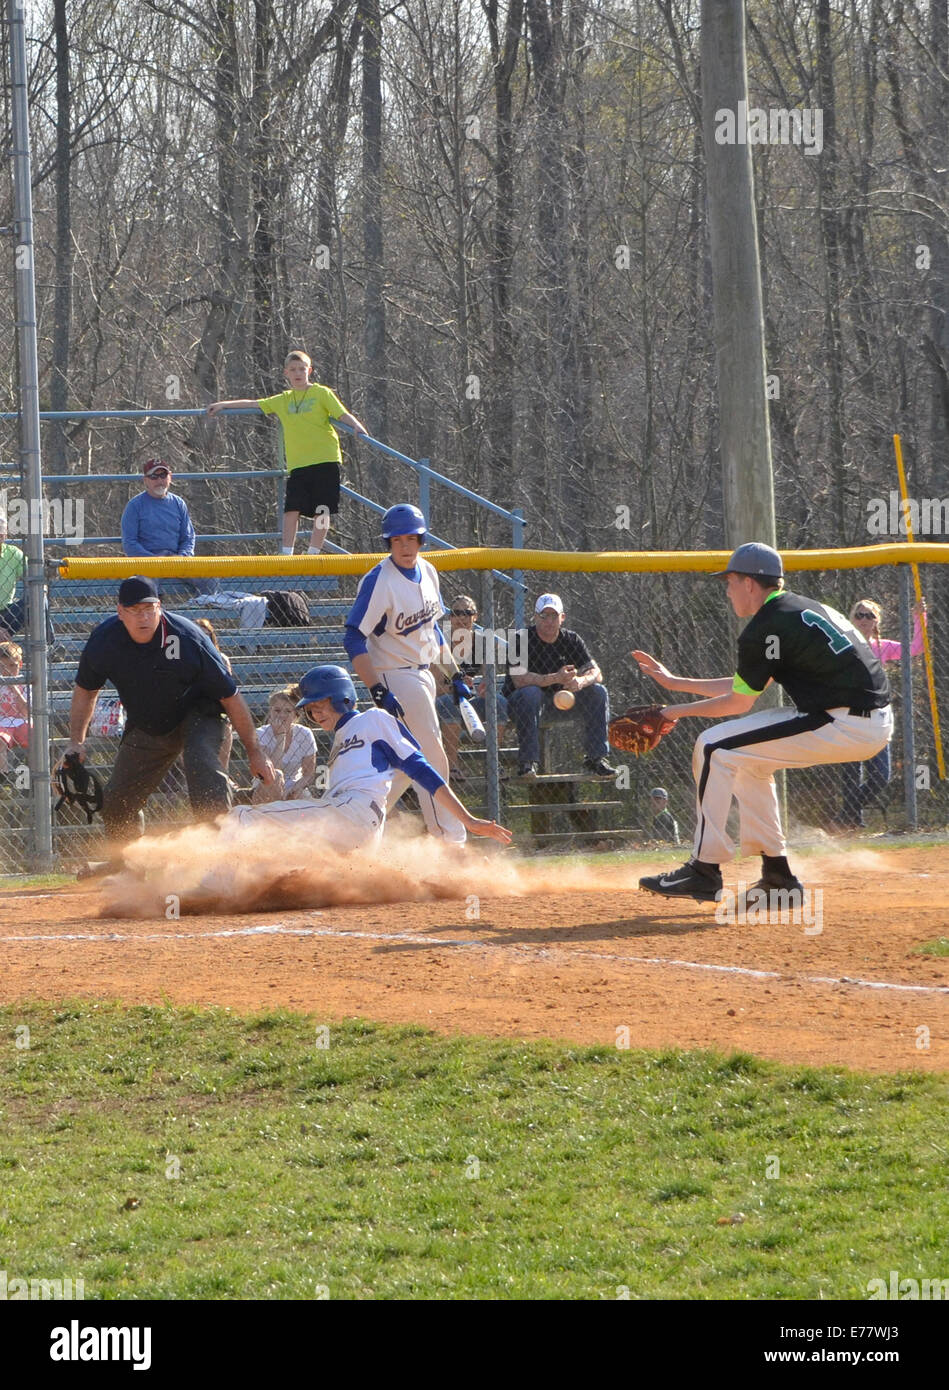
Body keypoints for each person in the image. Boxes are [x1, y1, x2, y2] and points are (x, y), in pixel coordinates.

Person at [634, 542, 892, 905]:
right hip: (858, 717)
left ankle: (704, 869)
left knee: (712, 747)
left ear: (750, 584)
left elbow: (739, 702)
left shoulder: (766, 625)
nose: (727, 590)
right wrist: (677, 684)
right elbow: (749, 684)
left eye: (730, 581)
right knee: (746, 761)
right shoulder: (795, 611)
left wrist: (671, 712)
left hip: (844, 720)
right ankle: (777, 875)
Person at [63, 576, 274, 868]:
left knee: (203, 768)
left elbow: (231, 697)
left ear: (160, 608)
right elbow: (86, 690)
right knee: (116, 801)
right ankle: (129, 866)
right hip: (149, 723)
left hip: (199, 713)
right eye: (135, 610)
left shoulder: (186, 637)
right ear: (120, 612)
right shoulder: (105, 640)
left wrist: (254, 751)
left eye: (150, 608)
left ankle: (218, 861)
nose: (144, 616)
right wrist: (76, 741)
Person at [220, 665, 512, 852]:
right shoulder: (340, 739)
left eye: (322, 704)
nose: (316, 713)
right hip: (351, 830)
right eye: (311, 709)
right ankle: (245, 889)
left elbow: (422, 770)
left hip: (353, 813)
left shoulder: (373, 719)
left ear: (343, 697)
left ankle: (205, 884)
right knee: (285, 857)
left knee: (242, 816)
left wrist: (468, 820)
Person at [343, 503, 470, 844]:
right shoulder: (378, 580)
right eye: (396, 539)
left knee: (401, 766)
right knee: (431, 755)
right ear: (388, 542)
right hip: (393, 675)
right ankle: (450, 842)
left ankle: (352, 827)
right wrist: (376, 689)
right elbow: (353, 637)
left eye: (410, 538)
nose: (404, 545)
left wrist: (454, 675)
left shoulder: (429, 572)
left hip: (425, 674)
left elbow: (433, 631)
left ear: (421, 539)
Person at [206, 349, 368, 555]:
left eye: (302, 369)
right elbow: (254, 403)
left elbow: (341, 413)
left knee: (323, 509)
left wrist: (356, 425)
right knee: (292, 509)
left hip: (326, 459)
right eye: (293, 369)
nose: (298, 373)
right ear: (286, 373)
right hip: (298, 463)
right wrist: (223, 405)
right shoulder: (283, 399)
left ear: (309, 370)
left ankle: (313, 554)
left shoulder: (321, 393)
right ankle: (286, 554)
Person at [832, 596, 928, 829]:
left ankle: (845, 816)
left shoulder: (881, 647)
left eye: (870, 615)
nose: (864, 619)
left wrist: (919, 617)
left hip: (875, 715)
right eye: (859, 615)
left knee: (880, 776)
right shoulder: (841, 644)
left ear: (877, 621)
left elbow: (915, 649)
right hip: (848, 714)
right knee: (851, 772)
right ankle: (853, 821)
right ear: (852, 619)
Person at [503, 593, 615, 780]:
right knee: (530, 693)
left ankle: (596, 759)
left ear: (562, 617)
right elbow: (519, 680)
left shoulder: (571, 640)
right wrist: (556, 678)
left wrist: (580, 681)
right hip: (522, 706)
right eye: (543, 615)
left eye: (554, 616)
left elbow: (596, 673)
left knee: (597, 691)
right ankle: (527, 763)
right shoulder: (521, 639)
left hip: (560, 704)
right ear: (535, 617)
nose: (549, 621)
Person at [434, 593, 509, 780]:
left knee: (498, 701)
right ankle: (452, 767)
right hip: (445, 701)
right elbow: (434, 688)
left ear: (475, 617)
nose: (462, 618)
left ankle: (493, 764)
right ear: (450, 617)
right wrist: (455, 687)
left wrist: (484, 689)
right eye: (457, 613)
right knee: (448, 704)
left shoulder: (482, 642)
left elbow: (487, 680)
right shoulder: (440, 643)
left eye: (468, 613)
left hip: (471, 701)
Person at [251, 686, 317, 804]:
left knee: (303, 797)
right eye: (277, 710)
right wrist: (281, 736)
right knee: (276, 775)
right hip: (266, 784)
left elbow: (309, 774)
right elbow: (270, 772)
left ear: (295, 715)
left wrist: (295, 788)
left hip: (293, 783)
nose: (281, 715)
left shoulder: (305, 734)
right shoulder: (260, 734)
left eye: (288, 711)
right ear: (270, 712)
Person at [194, 618, 234, 772]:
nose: (204, 640)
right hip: (192, 708)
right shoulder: (184, 657)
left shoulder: (221, 658)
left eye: (207, 636)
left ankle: (222, 774)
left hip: (216, 707)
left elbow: (226, 688)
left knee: (226, 727)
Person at [0, 640, 29, 776]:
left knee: (38, 739)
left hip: (23, 722)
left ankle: (39, 778)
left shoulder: (25, 683)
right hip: (2, 725)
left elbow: (26, 712)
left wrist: (14, 689)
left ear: (20, 665)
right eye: (3, 667)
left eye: (12, 666)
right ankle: (3, 777)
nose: (8, 671)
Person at [0, 515, 25, 639]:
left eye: (0, 534)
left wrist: (43, 590)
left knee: (39, 598)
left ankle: (50, 646)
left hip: (7, 611)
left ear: (5, 536)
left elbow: (34, 574)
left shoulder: (13, 553)